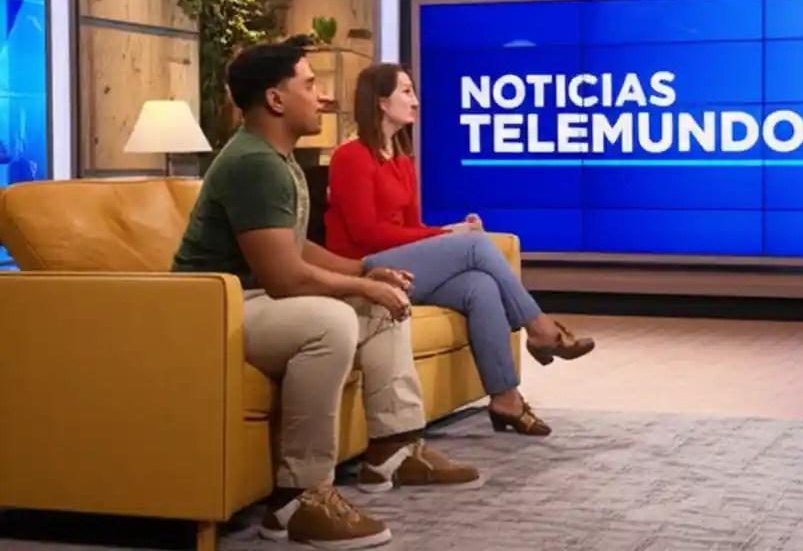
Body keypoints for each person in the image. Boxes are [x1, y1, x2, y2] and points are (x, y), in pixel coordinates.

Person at [173, 43, 482, 549]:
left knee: (380, 308)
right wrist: (362, 283)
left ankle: (393, 449)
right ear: (276, 99)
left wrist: (368, 272)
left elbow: (297, 246)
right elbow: (284, 278)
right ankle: (298, 497)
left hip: (247, 300)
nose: (322, 97)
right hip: (211, 309)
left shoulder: (279, 159)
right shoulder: (254, 164)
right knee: (330, 321)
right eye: (310, 84)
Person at [324, 62, 595, 437]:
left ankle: (506, 399)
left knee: (479, 286)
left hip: (400, 262)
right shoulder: (350, 157)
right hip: (363, 268)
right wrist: (445, 235)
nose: (415, 100)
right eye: (406, 92)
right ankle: (541, 330)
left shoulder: (403, 161)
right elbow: (366, 232)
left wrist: (445, 231)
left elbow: (407, 228)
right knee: (472, 244)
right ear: (381, 102)